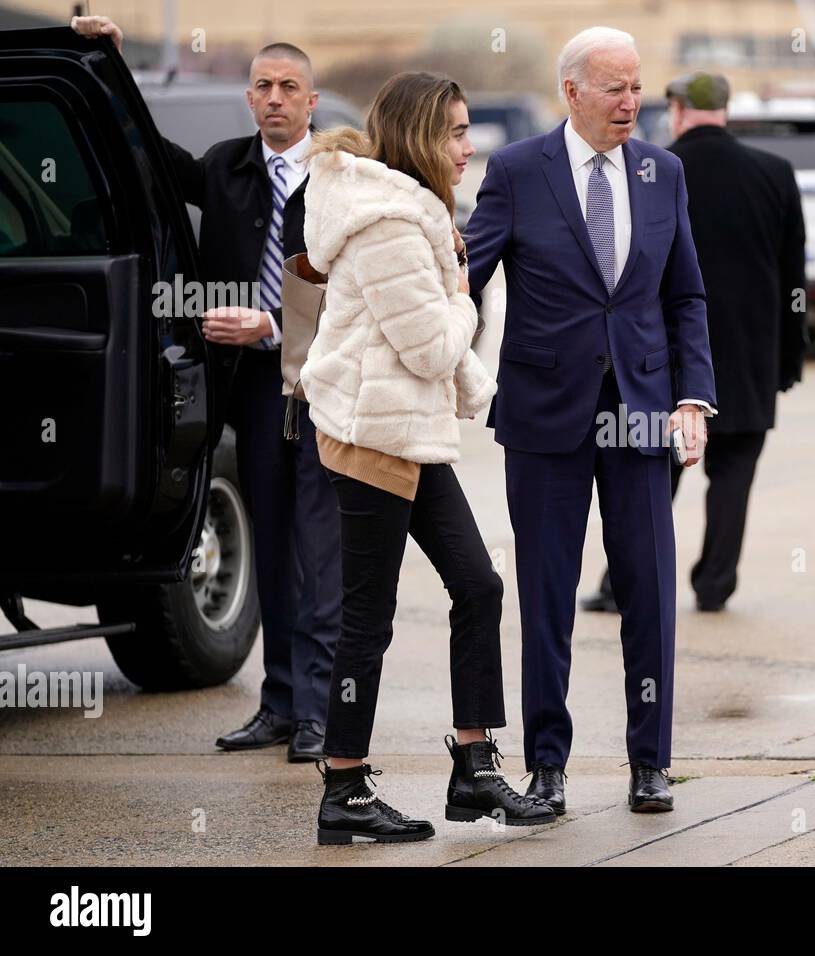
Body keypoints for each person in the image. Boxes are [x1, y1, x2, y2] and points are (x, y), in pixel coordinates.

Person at [71, 15, 340, 763]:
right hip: (252, 393)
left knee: (323, 553)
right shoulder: (226, 168)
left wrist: (271, 325)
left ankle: (321, 711)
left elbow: (358, 289)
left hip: (327, 389)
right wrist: (108, 64)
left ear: (312, 101)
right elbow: (143, 157)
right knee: (276, 544)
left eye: (290, 87)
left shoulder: (345, 180)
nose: (276, 99)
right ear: (249, 100)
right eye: (264, 87)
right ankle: (281, 705)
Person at [465, 26, 716, 815]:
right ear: (571, 92)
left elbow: (684, 296)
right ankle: (547, 766)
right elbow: (463, 280)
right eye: (614, 87)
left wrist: (692, 397)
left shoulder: (662, 171)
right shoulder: (514, 172)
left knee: (647, 594)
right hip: (545, 419)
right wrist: (451, 368)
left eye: (637, 85)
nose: (630, 101)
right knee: (546, 597)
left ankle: (650, 764)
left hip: (642, 414)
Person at [302, 72, 554, 844]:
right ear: (418, 135)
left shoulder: (415, 218)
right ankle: (343, 788)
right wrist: (465, 286)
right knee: (367, 620)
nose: (467, 148)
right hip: (373, 437)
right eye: (453, 132)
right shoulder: (388, 226)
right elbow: (431, 343)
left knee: (478, 585)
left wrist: (485, 397)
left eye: (468, 130)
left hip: (408, 431)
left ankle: (473, 771)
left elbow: (435, 355)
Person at [581, 71, 806, 614]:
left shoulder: (650, 169)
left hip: (671, 357)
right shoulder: (774, 172)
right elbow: (793, 278)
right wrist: (789, 359)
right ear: (727, 108)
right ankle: (715, 584)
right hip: (751, 354)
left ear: (678, 110)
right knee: (732, 480)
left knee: (655, 480)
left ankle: (622, 585)